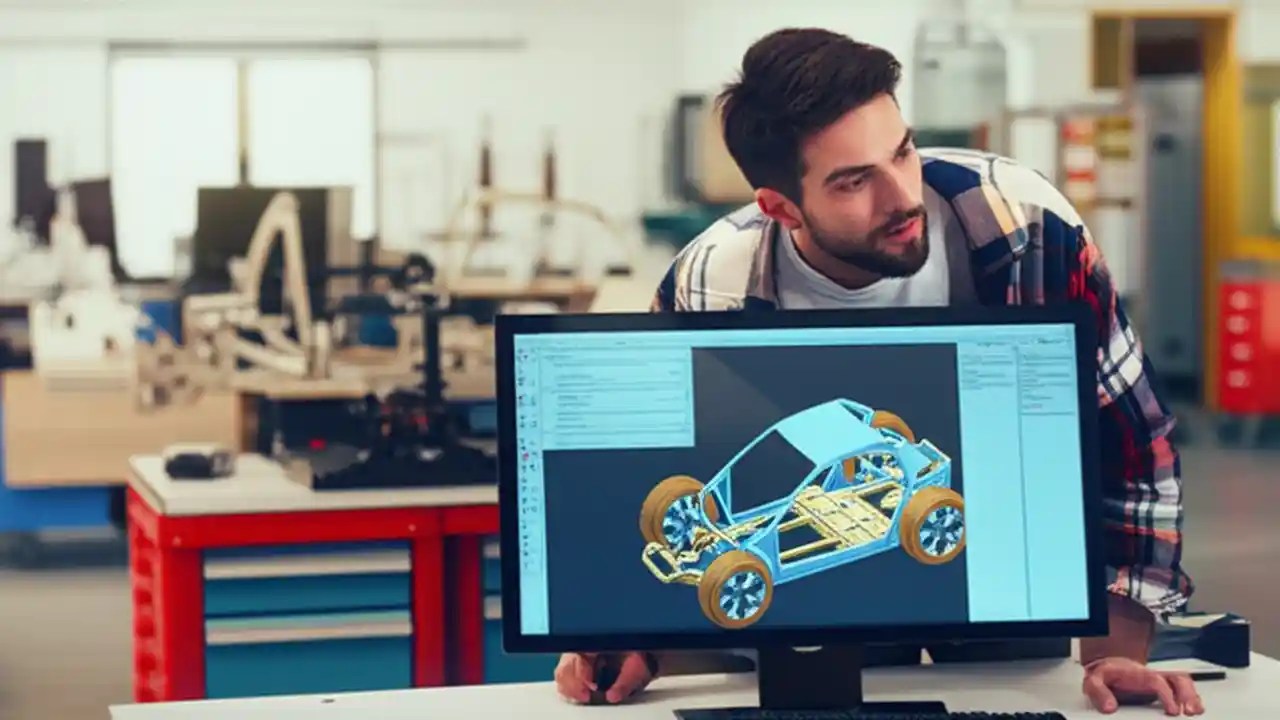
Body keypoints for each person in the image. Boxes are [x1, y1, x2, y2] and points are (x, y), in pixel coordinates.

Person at [554, 28, 1200, 716]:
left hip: (995, 581)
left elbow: (1134, 444)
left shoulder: (1024, 228)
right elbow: (649, 465)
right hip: (795, 629)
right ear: (780, 207)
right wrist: (633, 637)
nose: (902, 197)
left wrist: (1116, 654)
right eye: (854, 180)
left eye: (902, 151)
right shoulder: (714, 280)